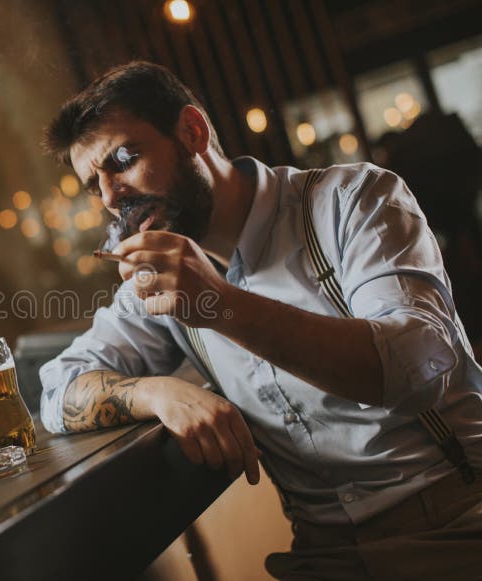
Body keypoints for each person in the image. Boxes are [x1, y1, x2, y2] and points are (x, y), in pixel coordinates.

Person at [38, 61, 482, 580]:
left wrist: (219, 303)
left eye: (124, 159)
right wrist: (156, 393)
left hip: (456, 523)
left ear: (192, 132)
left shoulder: (352, 201)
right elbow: (56, 390)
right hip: (322, 554)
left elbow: (415, 369)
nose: (112, 198)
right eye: (95, 184)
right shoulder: (157, 277)